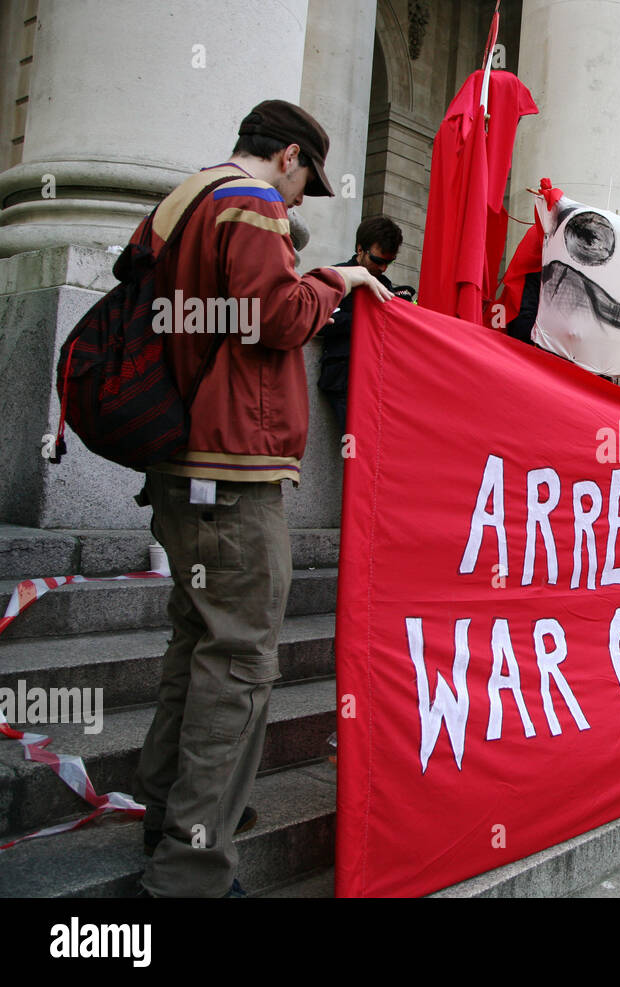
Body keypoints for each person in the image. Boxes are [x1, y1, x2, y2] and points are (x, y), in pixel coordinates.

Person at [131, 100, 393, 898]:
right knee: (240, 662)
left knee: (199, 645)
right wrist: (339, 279)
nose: (301, 201)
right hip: (232, 467)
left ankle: (173, 809)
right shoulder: (250, 203)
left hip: (184, 464)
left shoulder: (184, 198)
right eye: (306, 181)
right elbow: (272, 316)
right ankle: (192, 867)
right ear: (287, 157)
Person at [317, 215, 403, 429]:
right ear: (360, 249)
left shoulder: (386, 286)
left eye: (389, 262)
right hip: (343, 379)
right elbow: (322, 322)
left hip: (377, 381)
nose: (383, 268)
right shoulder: (334, 276)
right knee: (357, 448)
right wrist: (369, 320)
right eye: (378, 261)